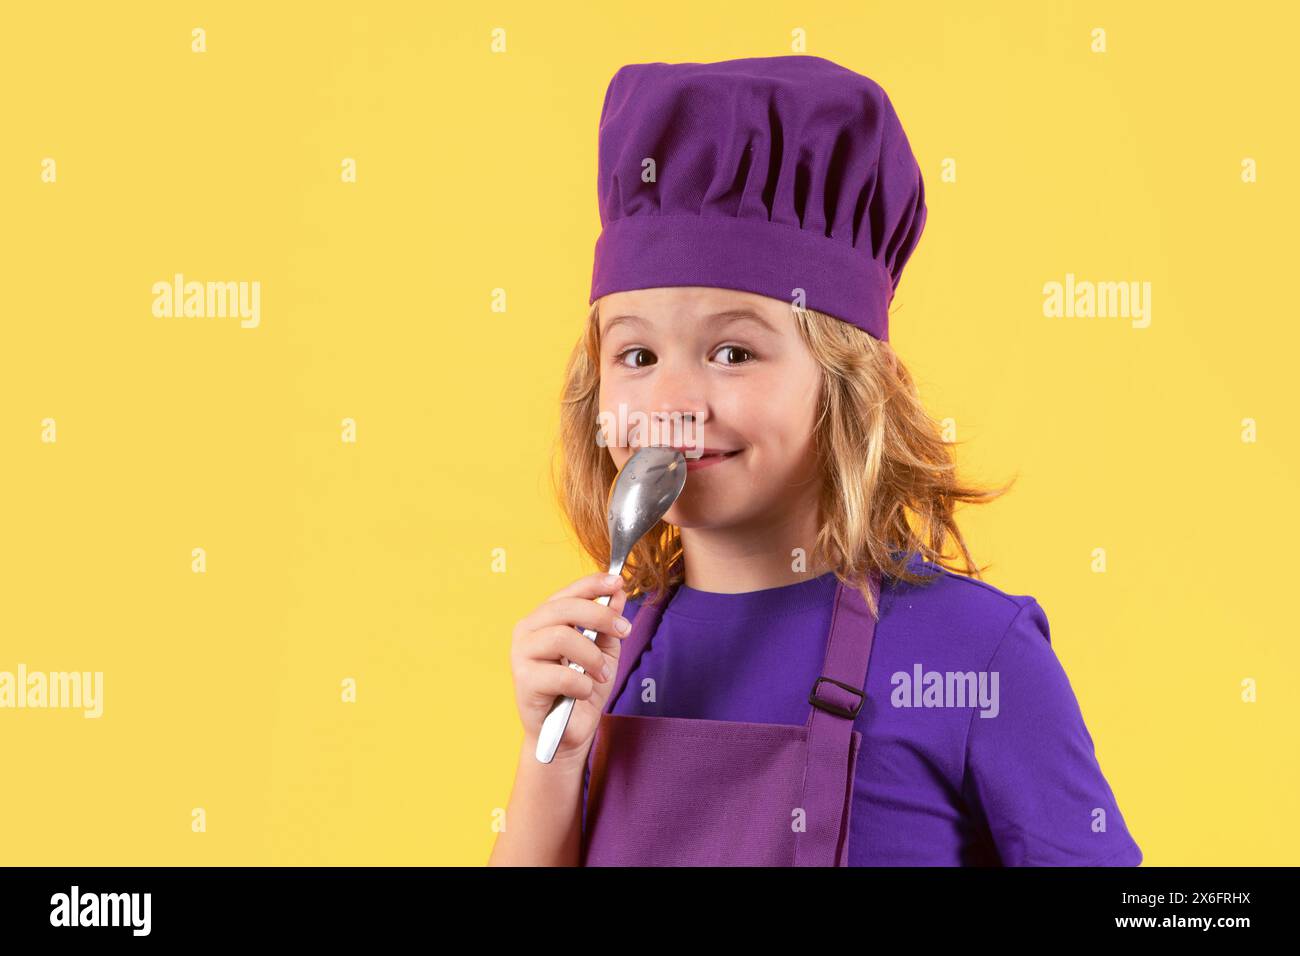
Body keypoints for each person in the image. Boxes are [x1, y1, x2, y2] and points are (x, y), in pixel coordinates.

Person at [488, 55, 1142, 867]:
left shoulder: (977, 652)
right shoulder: (612, 658)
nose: (674, 401)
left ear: (848, 384)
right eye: (636, 355)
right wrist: (546, 755)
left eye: (731, 351)